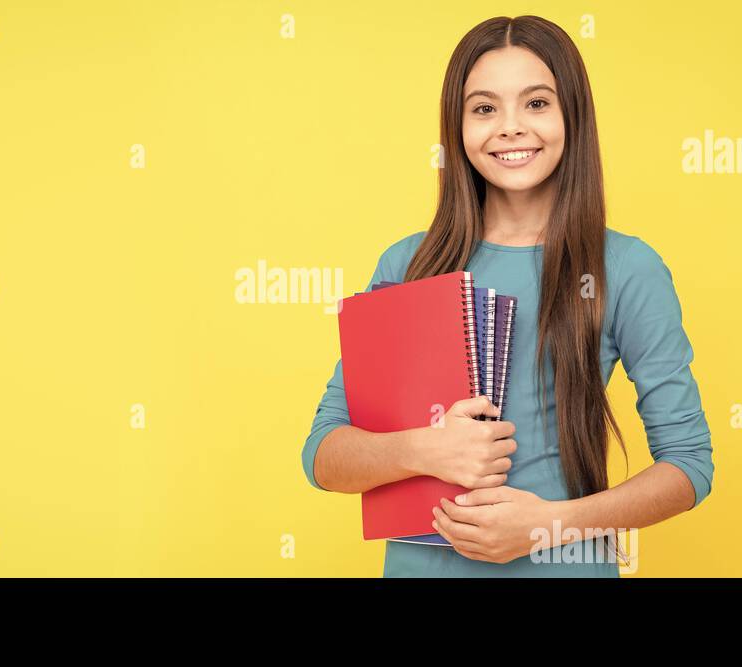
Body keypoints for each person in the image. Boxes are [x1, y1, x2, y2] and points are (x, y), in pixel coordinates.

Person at [301, 15, 714, 577]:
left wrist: (547, 527)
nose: (511, 127)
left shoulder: (625, 268)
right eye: (485, 108)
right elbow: (325, 457)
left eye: (537, 103)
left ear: (572, 115)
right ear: (458, 126)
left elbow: (688, 468)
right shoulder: (408, 265)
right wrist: (426, 449)